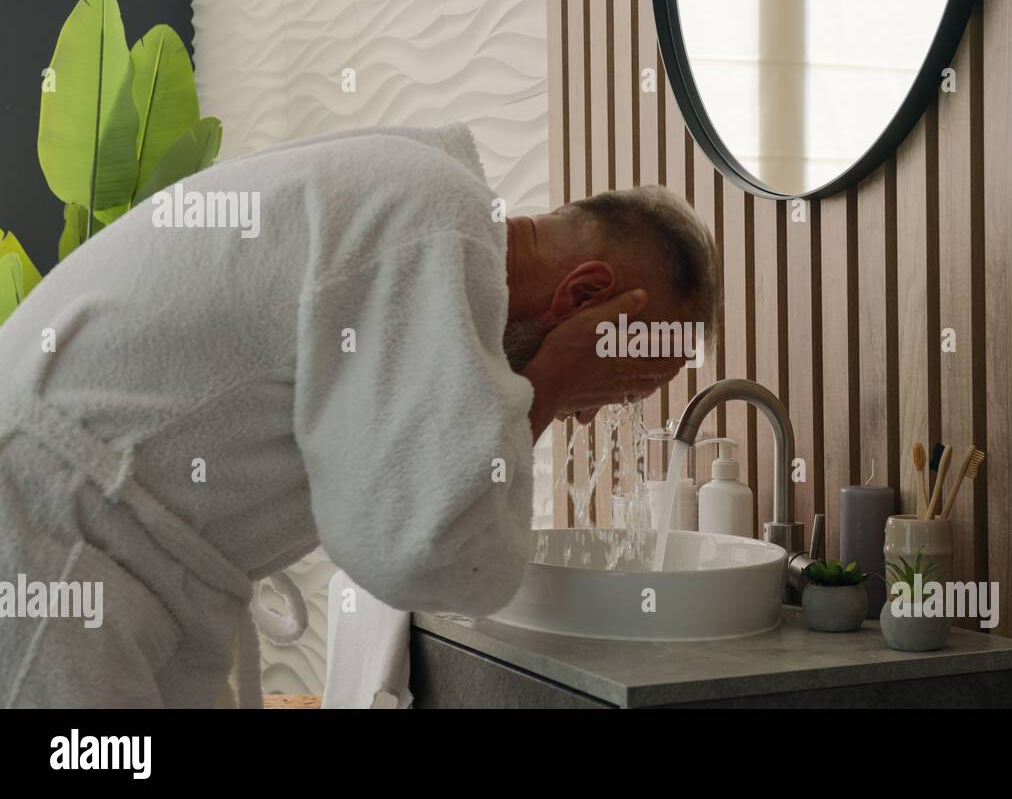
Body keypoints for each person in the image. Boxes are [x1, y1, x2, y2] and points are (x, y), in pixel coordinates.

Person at [0, 123, 717, 707]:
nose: (590, 419)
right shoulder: (434, 227)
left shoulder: (423, 215)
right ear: (582, 295)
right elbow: (421, 551)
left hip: (108, 556)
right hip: (51, 544)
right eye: (615, 383)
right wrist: (557, 379)